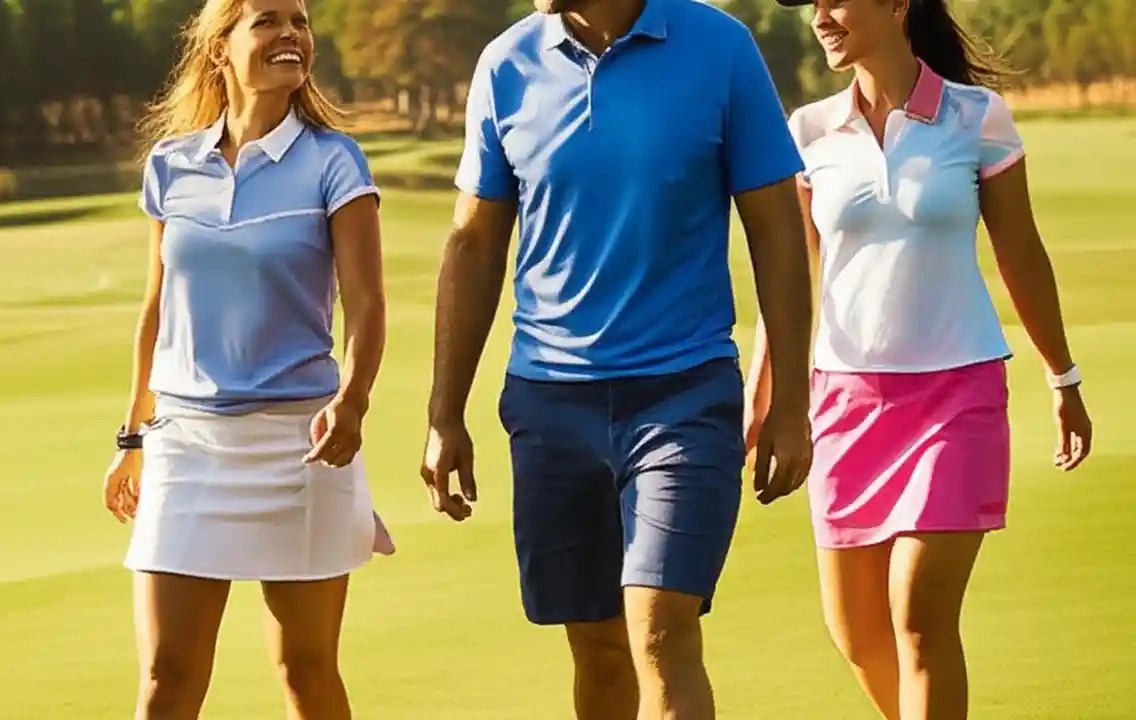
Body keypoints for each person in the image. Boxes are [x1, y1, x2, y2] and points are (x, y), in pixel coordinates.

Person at [420, 0, 814, 718]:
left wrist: (791, 402)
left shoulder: (721, 48)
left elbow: (777, 229)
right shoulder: (506, 64)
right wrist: (445, 413)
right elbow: (474, 243)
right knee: (599, 649)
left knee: (661, 632)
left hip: (683, 394)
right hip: (549, 402)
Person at [750, 1, 1095, 719]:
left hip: (956, 399)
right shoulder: (808, 131)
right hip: (843, 403)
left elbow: (1021, 254)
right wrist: (764, 397)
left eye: (834, 0)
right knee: (856, 634)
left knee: (918, 616)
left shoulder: (977, 118)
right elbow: (790, 279)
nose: (820, 17)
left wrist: (1062, 375)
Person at [100, 0, 393, 717]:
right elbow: (156, 310)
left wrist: (353, 402)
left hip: (301, 445)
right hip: (187, 444)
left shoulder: (333, 161)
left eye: (300, 21)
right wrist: (132, 438)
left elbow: (368, 304)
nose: (290, 33)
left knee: (305, 671)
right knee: (167, 675)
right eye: (267, 20)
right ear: (219, 48)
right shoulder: (171, 165)